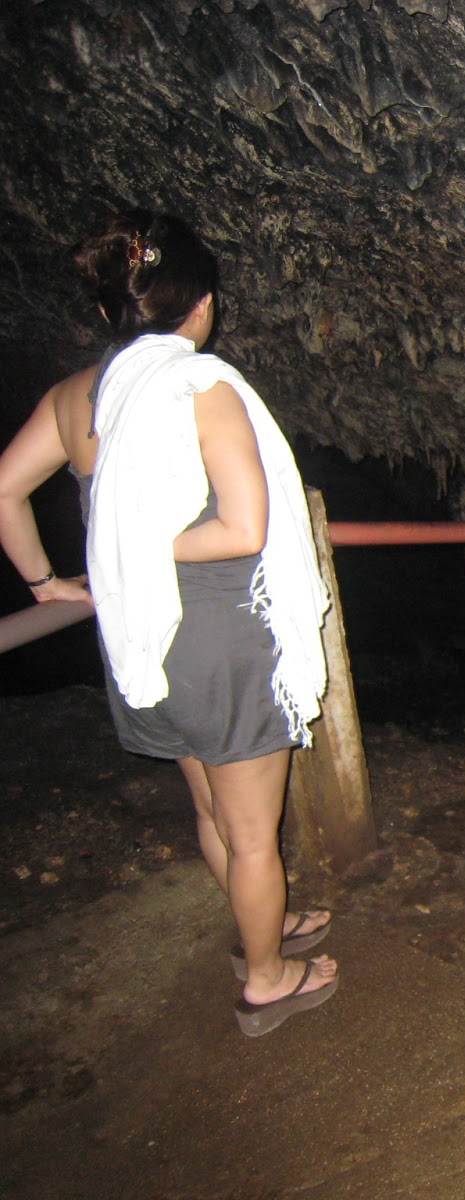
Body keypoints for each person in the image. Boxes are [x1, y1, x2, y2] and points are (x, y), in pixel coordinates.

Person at [0, 210, 338, 1036]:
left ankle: (264, 923)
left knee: (215, 813)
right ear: (203, 305)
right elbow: (244, 531)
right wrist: (139, 546)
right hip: (222, 639)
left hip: (142, 640)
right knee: (256, 832)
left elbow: (4, 491)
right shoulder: (202, 386)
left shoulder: (79, 396)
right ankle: (267, 977)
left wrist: (48, 581)